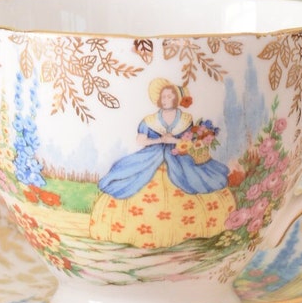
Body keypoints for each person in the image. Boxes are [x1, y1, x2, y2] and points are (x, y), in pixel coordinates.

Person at [88, 79, 236, 249]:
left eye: (170, 95)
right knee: (131, 175)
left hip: (178, 154)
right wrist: (159, 140)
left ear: (176, 98)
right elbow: (140, 140)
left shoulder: (186, 119)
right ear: (159, 100)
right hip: (153, 155)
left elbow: (188, 139)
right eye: (164, 96)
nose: (167, 99)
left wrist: (173, 140)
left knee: (194, 175)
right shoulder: (150, 120)